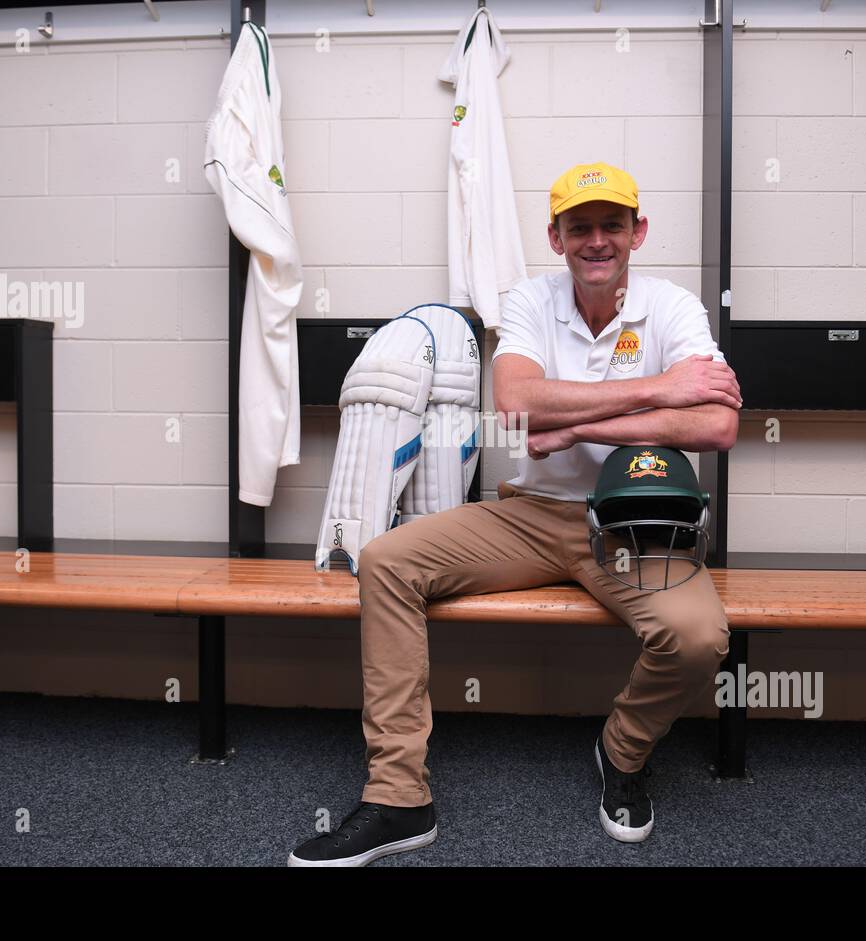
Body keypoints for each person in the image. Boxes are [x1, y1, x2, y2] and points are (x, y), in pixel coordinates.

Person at [288, 162, 742, 867]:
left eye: (612, 225)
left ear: (638, 232)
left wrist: (572, 426)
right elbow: (517, 404)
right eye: (580, 227)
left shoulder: (673, 306)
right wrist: (662, 390)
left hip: (633, 526)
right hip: (531, 517)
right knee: (386, 561)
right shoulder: (530, 300)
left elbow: (717, 424)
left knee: (698, 638)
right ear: (557, 238)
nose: (597, 240)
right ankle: (399, 796)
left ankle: (622, 751)